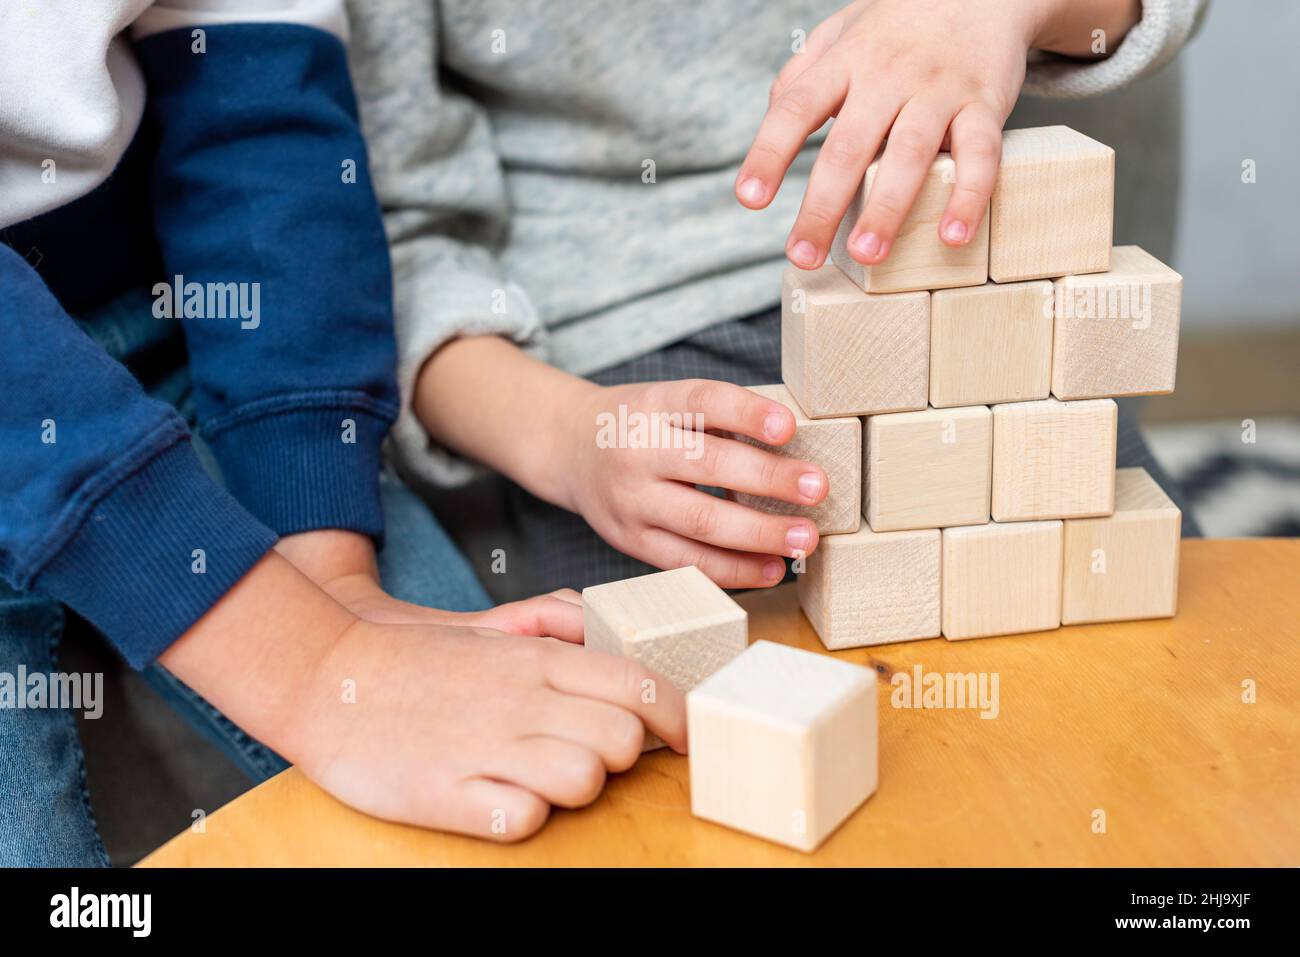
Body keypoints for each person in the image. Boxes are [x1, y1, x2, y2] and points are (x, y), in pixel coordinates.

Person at [0, 0, 684, 866]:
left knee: (514, 765)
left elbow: (260, 110)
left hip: (178, 299)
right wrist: (316, 668)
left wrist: (332, 571)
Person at [345, 0, 1208, 599]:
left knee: (1167, 678)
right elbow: (395, 246)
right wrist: (566, 437)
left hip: (954, 271)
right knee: (696, 750)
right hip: (620, 354)